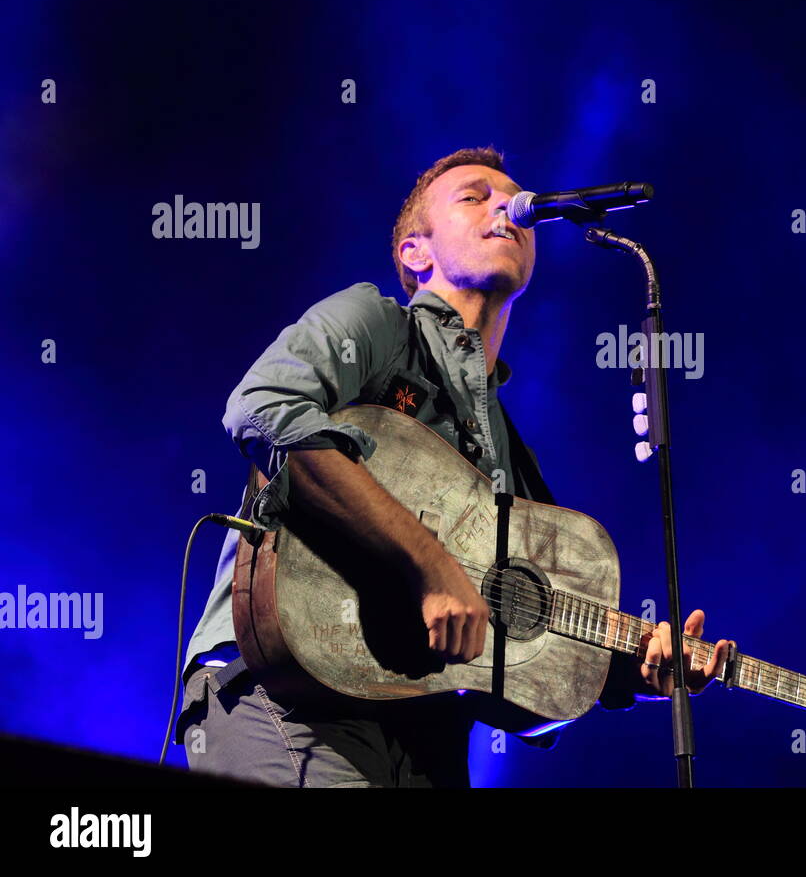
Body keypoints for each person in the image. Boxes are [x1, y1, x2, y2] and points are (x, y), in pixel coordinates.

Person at [173, 146, 728, 787]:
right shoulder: (376, 324)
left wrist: (635, 669)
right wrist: (429, 562)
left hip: (424, 733)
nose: (508, 207)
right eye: (475, 196)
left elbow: (530, 669)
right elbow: (262, 407)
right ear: (416, 253)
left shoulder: (509, 449)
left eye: (515, 198)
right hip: (290, 692)